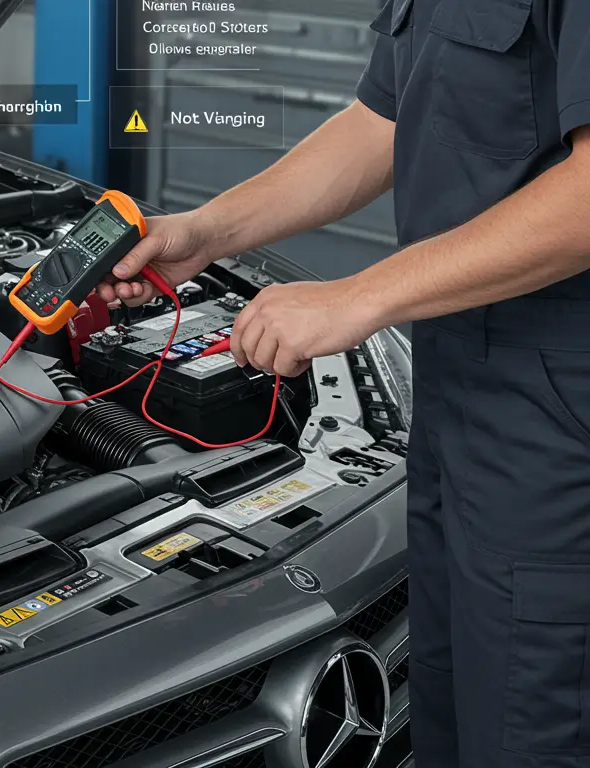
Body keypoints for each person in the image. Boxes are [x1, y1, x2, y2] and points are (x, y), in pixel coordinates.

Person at [96, 2, 590, 766]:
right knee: (451, 715)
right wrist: (207, 231)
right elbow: (380, 122)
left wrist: (357, 297)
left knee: (534, 727)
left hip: (556, 417)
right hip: (454, 383)